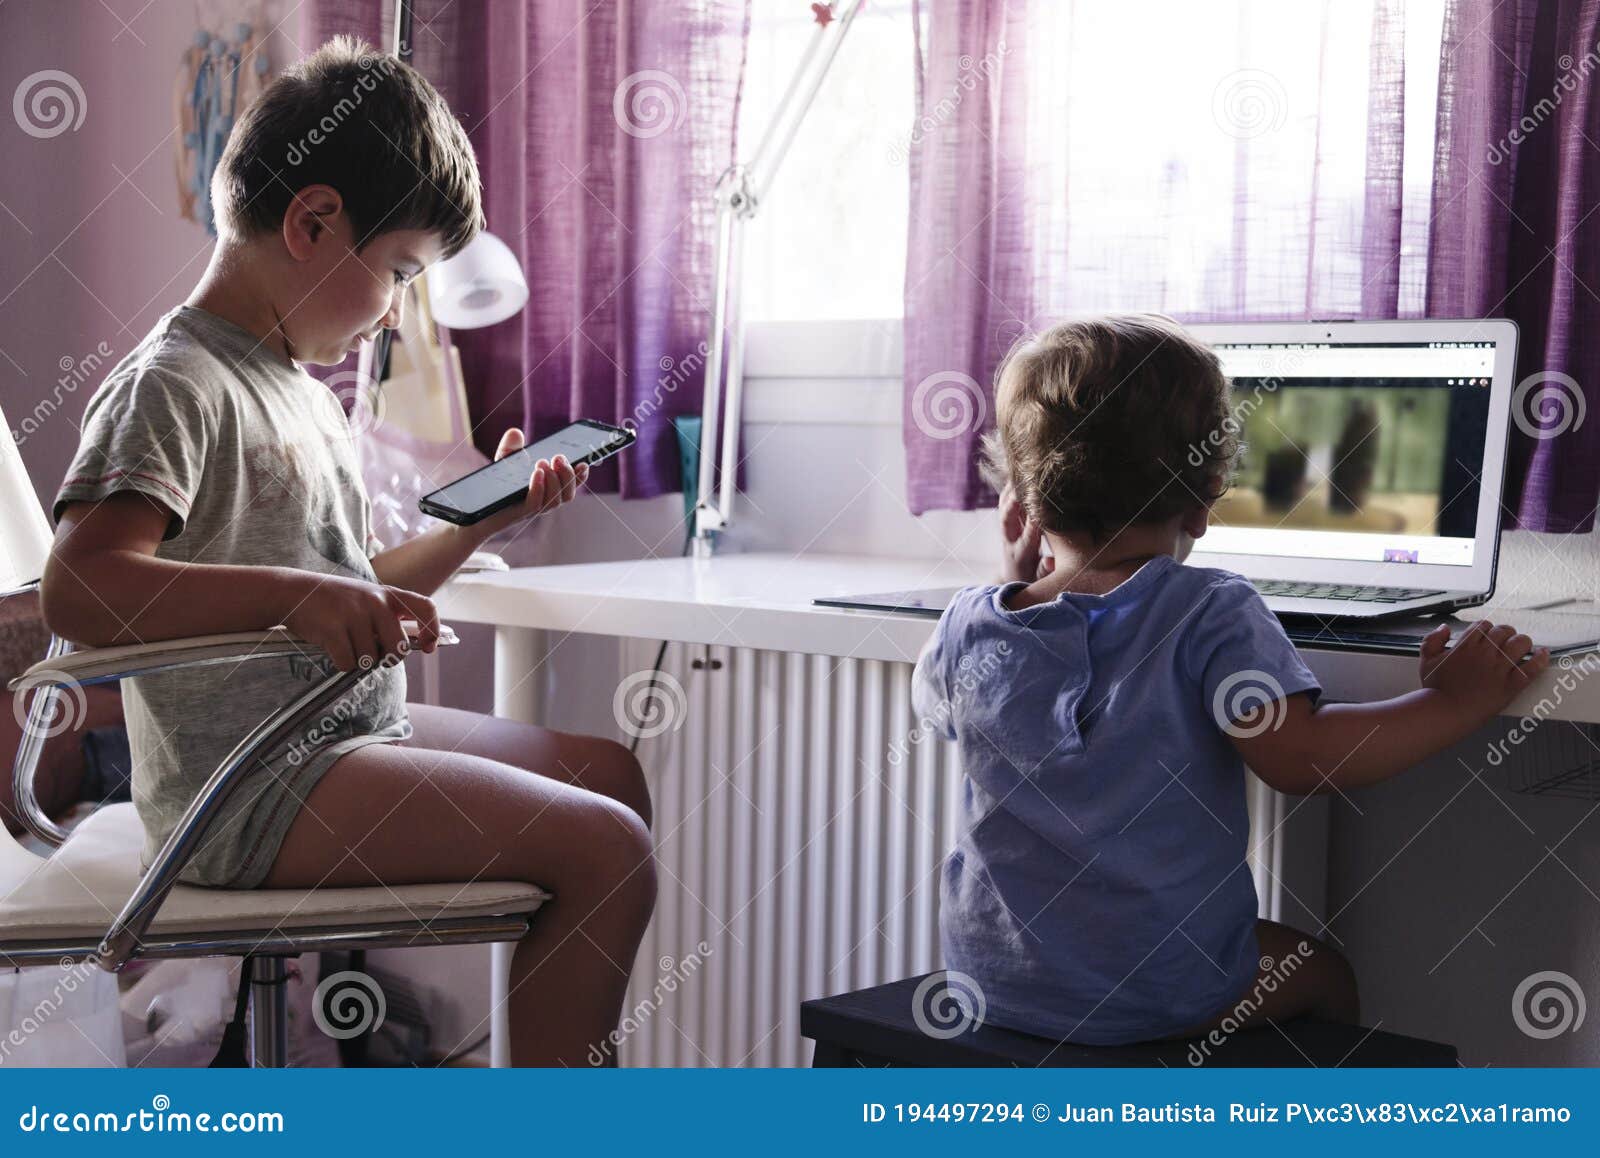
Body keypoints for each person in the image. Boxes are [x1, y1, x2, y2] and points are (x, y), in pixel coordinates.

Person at [42, 37, 654, 1067]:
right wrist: (293, 602)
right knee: (609, 849)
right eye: (400, 271)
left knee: (612, 777)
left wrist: (475, 529)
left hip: (338, 741)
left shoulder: (298, 388)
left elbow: (346, 591)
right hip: (245, 789)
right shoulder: (175, 384)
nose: (397, 306)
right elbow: (82, 589)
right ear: (314, 220)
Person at [913, 313, 1547, 1044]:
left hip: (994, 979)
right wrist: (1451, 701)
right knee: (1324, 972)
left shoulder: (970, 624)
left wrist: (1018, 587)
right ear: (1207, 497)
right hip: (1151, 995)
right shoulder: (1209, 610)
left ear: (1021, 508)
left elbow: (939, 708)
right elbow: (1303, 759)